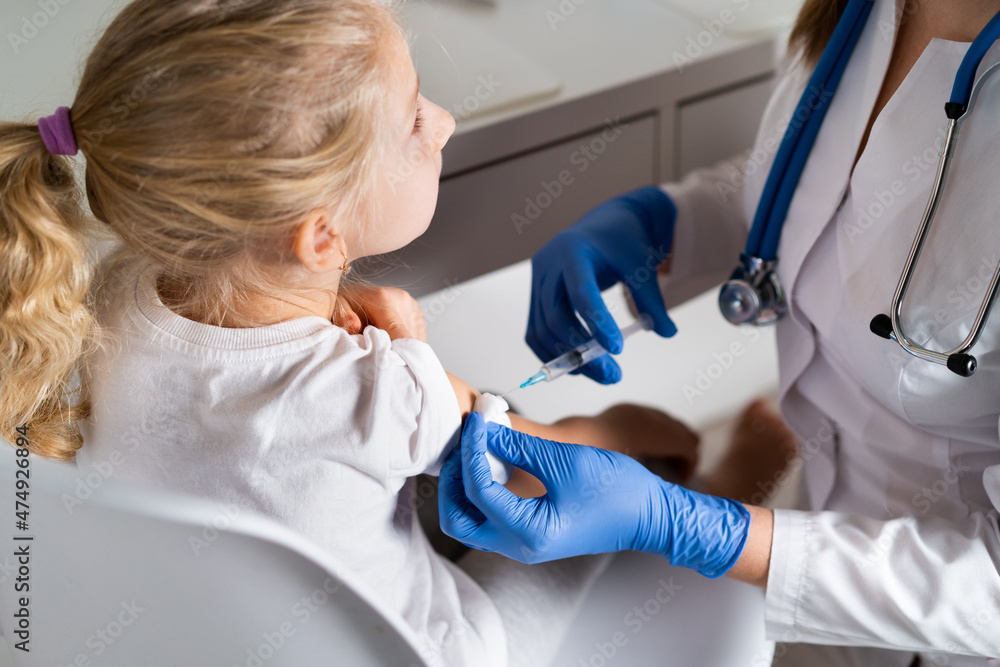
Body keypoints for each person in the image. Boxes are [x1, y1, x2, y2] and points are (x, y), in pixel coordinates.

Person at [0, 1, 798, 665]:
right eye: (416, 116)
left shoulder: (109, 290)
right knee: (607, 509)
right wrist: (627, 431)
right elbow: (538, 468)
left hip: (202, 627)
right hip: (426, 646)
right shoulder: (382, 394)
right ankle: (742, 469)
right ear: (319, 238)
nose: (445, 121)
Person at [441, 0, 1000, 665]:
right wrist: (669, 223)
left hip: (939, 619)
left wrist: (695, 527)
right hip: (809, 532)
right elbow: (831, 179)